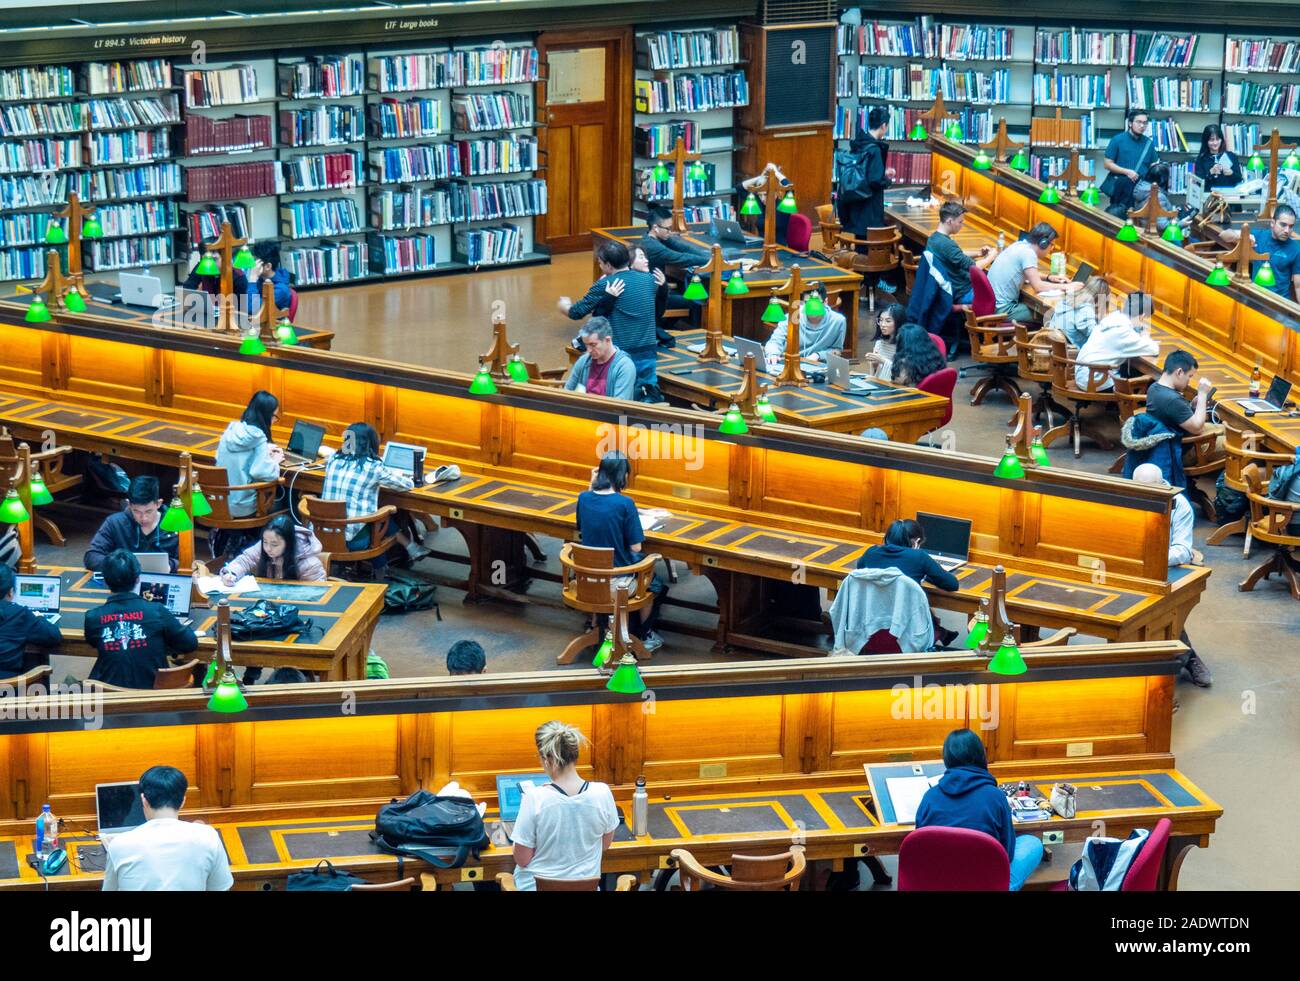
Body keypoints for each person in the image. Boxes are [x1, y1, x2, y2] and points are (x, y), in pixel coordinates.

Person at [915, 729, 1044, 891]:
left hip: (939, 883)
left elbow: (919, 848)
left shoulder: (929, 797)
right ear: (981, 755)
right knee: (1033, 843)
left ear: (946, 758)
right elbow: (1007, 854)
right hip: (987, 884)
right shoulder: (996, 797)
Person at [509, 721, 619, 891]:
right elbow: (604, 845)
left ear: (547, 759)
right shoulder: (602, 793)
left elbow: (522, 859)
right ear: (575, 755)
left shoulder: (534, 798)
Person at [575, 452, 667, 652]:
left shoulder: (583, 497)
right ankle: (644, 635)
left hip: (585, 580)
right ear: (622, 476)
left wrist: (591, 484)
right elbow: (636, 547)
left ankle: (594, 625)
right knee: (656, 583)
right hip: (616, 583)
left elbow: (581, 527)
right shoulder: (625, 504)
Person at [1132, 464, 1211, 687]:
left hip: (1165, 568)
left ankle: (1186, 657)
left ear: (1161, 485)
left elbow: (1183, 551)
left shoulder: (1180, 506)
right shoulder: (1128, 495)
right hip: (1131, 567)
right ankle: (1185, 655)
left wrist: (1150, 557)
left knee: (1163, 612)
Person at [102, 765, 233, 891]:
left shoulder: (119, 844)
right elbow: (221, 887)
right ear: (183, 801)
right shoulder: (208, 837)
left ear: (143, 800)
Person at [84, 550, 197, 690]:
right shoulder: (157, 611)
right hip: (152, 700)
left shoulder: (93, 618)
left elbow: (94, 642)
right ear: (138, 578)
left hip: (109, 703)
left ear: (105, 581)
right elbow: (190, 643)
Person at [321, 422, 424, 574]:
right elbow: (407, 485)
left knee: (375, 519)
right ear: (371, 442)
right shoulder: (374, 467)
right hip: (351, 540)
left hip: (321, 534)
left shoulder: (333, 460)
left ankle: (408, 550)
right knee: (381, 519)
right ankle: (383, 572)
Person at [559, 241, 659, 391]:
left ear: (608, 265)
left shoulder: (605, 284)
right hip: (648, 351)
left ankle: (622, 416)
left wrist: (564, 306)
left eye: (600, 263)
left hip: (621, 355)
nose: (600, 267)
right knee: (646, 394)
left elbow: (577, 312)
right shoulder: (649, 280)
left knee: (619, 399)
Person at [856, 518, 959, 646]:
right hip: (907, 631)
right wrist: (927, 574)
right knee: (920, 607)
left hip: (871, 624)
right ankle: (940, 632)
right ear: (916, 542)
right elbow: (953, 584)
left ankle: (941, 632)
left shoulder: (870, 553)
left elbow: (859, 571)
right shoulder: (919, 557)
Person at [84, 475, 179, 573]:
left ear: (158, 504)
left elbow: (189, 563)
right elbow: (91, 556)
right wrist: (119, 565)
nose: (143, 518)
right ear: (128, 504)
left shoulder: (175, 523)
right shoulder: (115, 523)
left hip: (163, 583)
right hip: (125, 582)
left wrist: (171, 566)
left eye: (148, 511)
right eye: (137, 511)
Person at [986, 222, 1078, 321]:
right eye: (1052, 245)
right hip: (1002, 310)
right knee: (1047, 314)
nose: (1051, 249)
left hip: (990, 304)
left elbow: (1026, 273)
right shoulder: (1029, 254)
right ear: (1044, 243)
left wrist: (1048, 277)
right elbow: (1038, 287)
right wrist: (1066, 286)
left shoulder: (1019, 245)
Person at [216, 390, 284, 519]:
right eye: (274, 416)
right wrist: (274, 461)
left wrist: (264, 450)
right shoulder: (258, 437)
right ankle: (256, 538)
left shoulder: (231, 430)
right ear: (266, 416)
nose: (274, 421)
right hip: (241, 506)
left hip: (219, 502)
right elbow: (261, 473)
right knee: (284, 502)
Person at [639, 206, 709, 327]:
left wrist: (708, 257)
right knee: (696, 302)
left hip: (658, 290)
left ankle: (665, 326)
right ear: (655, 228)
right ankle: (693, 332)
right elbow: (681, 258)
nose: (670, 232)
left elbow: (683, 248)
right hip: (653, 296)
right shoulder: (653, 247)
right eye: (668, 228)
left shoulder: (655, 237)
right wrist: (711, 261)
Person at [1073, 293, 1159, 390]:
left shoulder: (1112, 319)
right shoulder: (1123, 332)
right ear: (1142, 316)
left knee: (1130, 370)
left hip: (1083, 374)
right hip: (1095, 381)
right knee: (1150, 382)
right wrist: (1144, 333)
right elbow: (1154, 349)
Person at [1220, 204, 1300, 302]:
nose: (1287, 230)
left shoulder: (1296, 249)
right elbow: (1224, 235)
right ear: (1272, 223)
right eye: (1283, 225)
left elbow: (1298, 286)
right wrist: (1243, 237)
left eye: (1291, 226)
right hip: (1256, 297)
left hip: (1279, 303)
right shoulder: (1259, 236)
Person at [220, 513, 327, 583]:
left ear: (288, 543)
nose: (268, 548)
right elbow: (245, 560)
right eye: (265, 542)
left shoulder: (309, 564)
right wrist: (231, 573)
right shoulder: (262, 547)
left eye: (274, 544)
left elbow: (316, 591)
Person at [837, 106, 894, 235]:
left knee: (860, 246)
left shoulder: (859, 143)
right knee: (868, 248)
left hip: (855, 205)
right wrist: (887, 181)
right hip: (868, 210)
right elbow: (875, 181)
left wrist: (882, 172)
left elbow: (862, 170)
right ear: (884, 126)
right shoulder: (875, 149)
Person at [925, 201, 996, 305]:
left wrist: (979, 254)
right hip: (963, 293)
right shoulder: (946, 244)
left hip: (952, 289)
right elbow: (975, 268)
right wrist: (992, 255)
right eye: (960, 222)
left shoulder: (933, 239)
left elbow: (957, 255)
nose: (962, 225)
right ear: (949, 221)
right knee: (1001, 294)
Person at [0, 564, 62, 678]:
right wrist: (38, 617)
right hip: (9, 691)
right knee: (35, 657)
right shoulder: (19, 613)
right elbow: (54, 637)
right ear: (10, 592)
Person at [762, 283, 846, 363]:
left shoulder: (838, 321)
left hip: (819, 365)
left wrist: (818, 355)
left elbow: (837, 350)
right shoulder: (792, 317)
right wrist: (773, 354)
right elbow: (774, 342)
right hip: (791, 364)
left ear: (825, 302)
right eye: (807, 303)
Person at [564, 317, 638, 401]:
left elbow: (620, 406)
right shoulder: (584, 360)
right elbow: (567, 391)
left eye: (593, 345)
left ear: (607, 340)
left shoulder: (625, 366)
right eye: (586, 345)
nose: (588, 350)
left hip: (611, 413)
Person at [1102, 109, 1158, 217]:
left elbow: (1153, 165)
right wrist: (1127, 172)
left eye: (1145, 123)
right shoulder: (1117, 140)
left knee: (1138, 221)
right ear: (1130, 123)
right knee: (1118, 219)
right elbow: (1107, 164)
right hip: (1121, 189)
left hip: (1140, 191)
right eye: (1139, 122)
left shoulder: (1148, 143)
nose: (1142, 125)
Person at [1144, 350, 1214, 437]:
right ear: (1179, 372)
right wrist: (1202, 394)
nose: (1189, 381)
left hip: (1160, 439)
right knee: (1227, 435)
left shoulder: (1154, 387)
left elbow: (1175, 413)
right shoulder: (1173, 400)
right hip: (1179, 446)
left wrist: (1191, 406)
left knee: (1219, 428)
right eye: (1189, 376)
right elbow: (1197, 429)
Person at [737, 162, 793, 245]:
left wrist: (775, 173)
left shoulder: (784, 205)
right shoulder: (758, 201)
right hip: (762, 245)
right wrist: (762, 177)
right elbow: (739, 188)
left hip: (780, 248)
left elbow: (789, 187)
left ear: (776, 192)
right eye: (760, 194)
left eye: (765, 194)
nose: (762, 198)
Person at [1045, 276, 1110, 347]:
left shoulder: (1068, 299)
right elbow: (1096, 337)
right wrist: (1101, 318)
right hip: (1071, 353)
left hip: (1052, 346)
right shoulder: (1086, 310)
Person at [1132, 162, 1184, 235]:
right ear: (1163, 180)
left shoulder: (1142, 189)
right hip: (1159, 236)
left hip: (1145, 231)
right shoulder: (1158, 196)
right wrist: (1182, 224)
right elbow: (1162, 226)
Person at [182, 241, 249, 298]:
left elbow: (241, 310)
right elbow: (186, 291)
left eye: (214, 259)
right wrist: (198, 293)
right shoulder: (203, 267)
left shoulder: (239, 278)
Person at [890, 323, 947, 387]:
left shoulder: (905, 364)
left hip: (910, 395)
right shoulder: (935, 357)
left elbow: (896, 382)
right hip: (933, 394)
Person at [244, 241, 293, 314]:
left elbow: (253, 309)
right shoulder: (260, 279)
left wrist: (252, 279)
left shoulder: (281, 290)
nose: (251, 266)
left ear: (267, 266)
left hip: (271, 324)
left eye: (254, 262)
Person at [1193, 124, 1243, 192]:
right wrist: (1210, 173)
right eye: (1211, 140)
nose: (1215, 143)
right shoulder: (1201, 160)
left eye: (1218, 139)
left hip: (1229, 197)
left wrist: (1231, 173)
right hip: (1210, 197)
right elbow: (1198, 183)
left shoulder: (1231, 156)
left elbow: (1239, 179)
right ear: (1206, 141)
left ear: (1221, 139)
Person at [864, 302, 903, 380]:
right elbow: (875, 373)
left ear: (899, 322)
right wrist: (874, 364)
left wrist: (882, 360)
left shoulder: (904, 345)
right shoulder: (879, 342)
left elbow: (902, 375)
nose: (882, 324)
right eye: (880, 320)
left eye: (888, 321)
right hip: (880, 383)